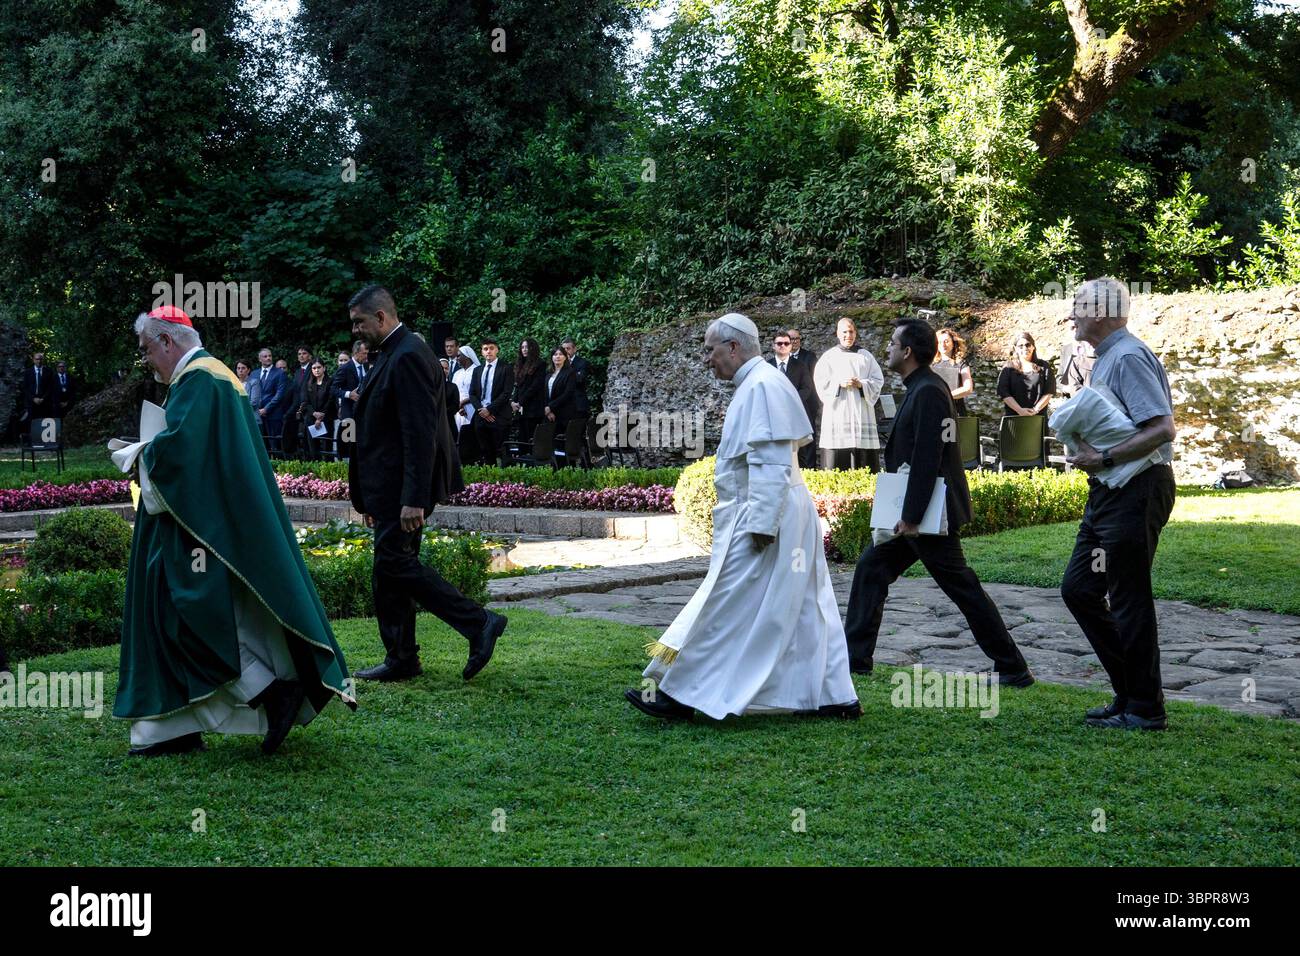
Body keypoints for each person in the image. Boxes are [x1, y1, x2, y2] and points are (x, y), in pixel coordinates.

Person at [114, 305, 354, 757]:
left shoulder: (201, 380)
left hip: (197, 529)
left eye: (147, 350)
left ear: (168, 341)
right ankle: (177, 725)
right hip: (211, 523)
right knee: (193, 612)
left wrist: (139, 456)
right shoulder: (213, 376)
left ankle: (265, 695)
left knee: (186, 613)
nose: (146, 360)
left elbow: (184, 452)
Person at [625, 313, 859, 721]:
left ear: (733, 347)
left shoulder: (763, 386)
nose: (706, 359)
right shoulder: (759, 383)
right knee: (807, 604)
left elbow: (771, 462)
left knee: (728, 602)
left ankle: (680, 695)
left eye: (709, 350)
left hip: (767, 514)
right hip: (781, 511)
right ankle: (833, 695)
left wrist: (762, 524)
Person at [842, 318, 1034, 686]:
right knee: (872, 570)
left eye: (893, 344)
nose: (888, 349)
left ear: (908, 352)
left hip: (930, 515)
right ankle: (854, 659)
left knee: (961, 587)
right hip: (923, 513)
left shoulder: (929, 390)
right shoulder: (922, 386)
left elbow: (929, 455)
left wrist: (911, 516)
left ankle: (1012, 666)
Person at [346, 285, 507, 683]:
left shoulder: (407, 356)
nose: (355, 331)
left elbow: (419, 433)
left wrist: (413, 499)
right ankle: (402, 658)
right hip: (388, 489)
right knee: (390, 571)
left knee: (395, 564)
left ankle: (479, 621)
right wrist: (370, 496)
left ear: (381, 317)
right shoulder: (395, 354)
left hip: (405, 490)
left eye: (359, 322)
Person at [1060, 278, 1177, 731]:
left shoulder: (1127, 356)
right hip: (1111, 491)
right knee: (1080, 589)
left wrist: (1102, 456)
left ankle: (1145, 708)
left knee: (1128, 597)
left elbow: (1163, 429)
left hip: (1137, 490)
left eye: (1079, 304)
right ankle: (1130, 691)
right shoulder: (1107, 357)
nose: (1071, 312)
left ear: (1104, 311)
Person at [813, 318, 884, 471]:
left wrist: (861, 384)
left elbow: (878, 380)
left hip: (861, 414)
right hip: (838, 415)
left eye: (851, 331)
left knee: (863, 463)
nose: (848, 335)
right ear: (838, 333)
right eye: (844, 332)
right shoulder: (829, 356)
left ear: (855, 333)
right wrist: (838, 383)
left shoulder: (866, 356)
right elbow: (820, 382)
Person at [769, 332, 818, 469]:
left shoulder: (800, 365)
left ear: (791, 346)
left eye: (786, 343)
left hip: (795, 413)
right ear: (773, 346)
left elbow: (807, 388)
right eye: (779, 343)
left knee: (800, 451)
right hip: (774, 415)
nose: (783, 346)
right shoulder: (767, 366)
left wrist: (792, 401)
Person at [467, 338, 514, 465]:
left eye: (491, 348)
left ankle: (505, 482)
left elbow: (506, 393)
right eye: (485, 349)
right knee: (484, 451)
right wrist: (481, 410)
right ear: (482, 352)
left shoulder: (506, 368)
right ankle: (488, 480)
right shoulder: (477, 370)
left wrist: (490, 409)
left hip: (499, 416)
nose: (489, 351)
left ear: (497, 350)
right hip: (481, 416)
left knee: (500, 451)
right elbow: (472, 393)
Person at [997, 332, 1055, 417]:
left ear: (1033, 347)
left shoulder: (1043, 366)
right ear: (1015, 348)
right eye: (1020, 346)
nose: (1025, 348)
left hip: (1038, 417)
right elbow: (1003, 392)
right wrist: (1019, 410)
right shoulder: (1008, 368)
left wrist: (1035, 410)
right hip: (1014, 417)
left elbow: (1049, 391)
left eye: (1028, 345)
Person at [334, 340, 370, 460]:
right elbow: (332, 389)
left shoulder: (367, 366)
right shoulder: (345, 368)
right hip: (348, 413)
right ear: (356, 352)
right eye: (364, 353)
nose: (366, 356)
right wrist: (349, 394)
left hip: (363, 413)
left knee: (361, 446)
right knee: (348, 447)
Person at [510, 338, 545, 447]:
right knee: (522, 438)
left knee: (532, 438)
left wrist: (520, 402)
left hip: (534, 408)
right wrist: (513, 402)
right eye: (522, 347)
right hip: (521, 408)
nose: (524, 350)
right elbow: (518, 386)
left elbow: (535, 387)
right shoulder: (519, 365)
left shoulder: (540, 364)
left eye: (527, 347)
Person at [251, 348, 287, 453]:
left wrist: (266, 409)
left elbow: (279, 394)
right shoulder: (254, 374)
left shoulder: (280, 373)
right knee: (260, 445)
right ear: (259, 359)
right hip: (257, 415)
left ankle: (278, 468)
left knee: (276, 446)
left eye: (270, 356)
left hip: (274, 414)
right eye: (265, 356)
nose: (268, 358)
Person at [933, 328, 974, 416]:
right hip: (935, 410)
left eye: (946, 341)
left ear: (953, 343)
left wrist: (945, 396)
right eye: (940, 342)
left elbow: (968, 388)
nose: (943, 345)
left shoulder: (961, 363)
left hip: (955, 411)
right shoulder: (931, 364)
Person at [301, 358, 337, 460]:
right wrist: (314, 413)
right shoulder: (309, 383)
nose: (316, 370)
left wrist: (321, 416)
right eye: (314, 368)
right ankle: (315, 472)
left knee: (327, 448)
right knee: (313, 449)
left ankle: (327, 472)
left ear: (324, 368)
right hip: (311, 419)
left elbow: (331, 400)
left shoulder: (330, 382)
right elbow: (305, 402)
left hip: (326, 418)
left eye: (319, 367)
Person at [281, 346, 314, 458]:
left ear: (310, 356)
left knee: (308, 439)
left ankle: (309, 459)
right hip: (296, 406)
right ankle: (290, 456)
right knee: (287, 420)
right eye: (299, 354)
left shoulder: (313, 369)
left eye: (304, 353)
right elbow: (294, 391)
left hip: (309, 405)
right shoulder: (298, 371)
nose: (301, 356)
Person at [543, 346, 578, 444]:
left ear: (565, 357)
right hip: (549, 414)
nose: (557, 357)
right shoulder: (549, 373)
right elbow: (544, 393)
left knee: (562, 445)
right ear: (552, 357)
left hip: (564, 414)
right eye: (555, 354)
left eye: (560, 354)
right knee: (549, 444)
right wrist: (548, 410)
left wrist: (550, 407)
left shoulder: (570, 372)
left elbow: (567, 394)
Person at [1057, 318, 1095, 398]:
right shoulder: (1066, 349)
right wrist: (1065, 388)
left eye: (1077, 326)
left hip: (1090, 395)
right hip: (1069, 396)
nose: (1075, 330)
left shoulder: (1092, 347)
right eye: (1072, 328)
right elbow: (1059, 376)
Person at [20, 352, 56, 425]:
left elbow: (51, 387)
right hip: (31, 402)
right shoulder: (28, 372)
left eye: (40, 359)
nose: (39, 361)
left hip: (45, 402)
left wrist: (43, 398)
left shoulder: (49, 371)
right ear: (33, 360)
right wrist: (33, 398)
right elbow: (25, 387)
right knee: (30, 423)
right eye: (37, 359)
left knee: (43, 423)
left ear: (43, 360)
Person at [561, 337, 591, 417]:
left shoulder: (582, 363)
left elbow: (579, 380)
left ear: (574, 349)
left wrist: (567, 365)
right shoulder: (557, 364)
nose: (566, 351)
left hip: (578, 405)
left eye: (568, 348)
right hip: (562, 406)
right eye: (563, 349)